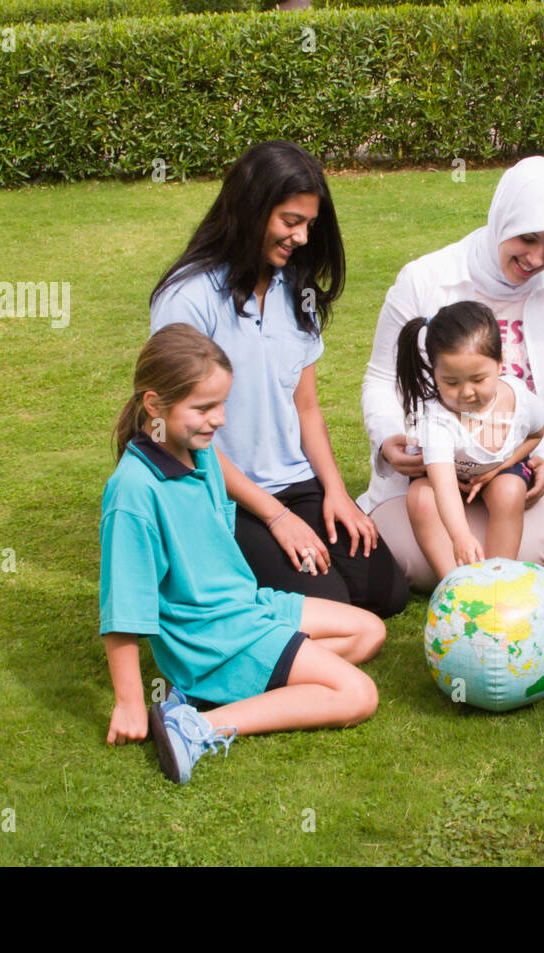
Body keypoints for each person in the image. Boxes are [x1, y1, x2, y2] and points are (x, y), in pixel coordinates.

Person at [100, 324, 386, 784]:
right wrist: (131, 703)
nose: (220, 420)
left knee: (368, 631)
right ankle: (194, 727)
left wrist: (276, 517)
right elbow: (124, 606)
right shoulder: (133, 493)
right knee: (358, 695)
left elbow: (226, 481)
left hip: (248, 608)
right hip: (214, 639)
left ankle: (214, 695)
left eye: (222, 404)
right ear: (154, 405)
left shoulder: (199, 451)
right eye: (204, 408)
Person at [150, 140, 408, 618]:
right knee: (330, 603)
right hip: (220, 491)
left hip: (294, 480)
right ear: (249, 209)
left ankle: (252, 574)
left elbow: (305, 407)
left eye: (310, 224)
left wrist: (335, 491)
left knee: (384, 593)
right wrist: (276, 517)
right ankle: (212, 586)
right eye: (291, 222)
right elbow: (181, 430)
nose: (304, 237)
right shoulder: (187, 297)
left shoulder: (295, 288)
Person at [360, 156, 544, 590]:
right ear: (503, 217)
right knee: (407, 558)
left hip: (510, 472)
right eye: (528, 238)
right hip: (431, 471)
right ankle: (465, 584)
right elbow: (380, 378)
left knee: (538, 555)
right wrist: (389, 441)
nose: (536, 258)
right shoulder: (424, 278)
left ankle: (483, 574)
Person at [395, 301, 544, 579]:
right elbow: (443, 486)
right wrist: (461, 537)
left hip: (496, 469)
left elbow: (536, 434)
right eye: (452, 382)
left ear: (501, 363)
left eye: (478, 379)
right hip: (449, 478)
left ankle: (498, 576)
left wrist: (502, 466)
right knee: (421, 498)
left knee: (510, 490)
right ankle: (455, 584)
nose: (466, 393)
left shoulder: (520, 401)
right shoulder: (438, 420)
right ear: (434, 372)